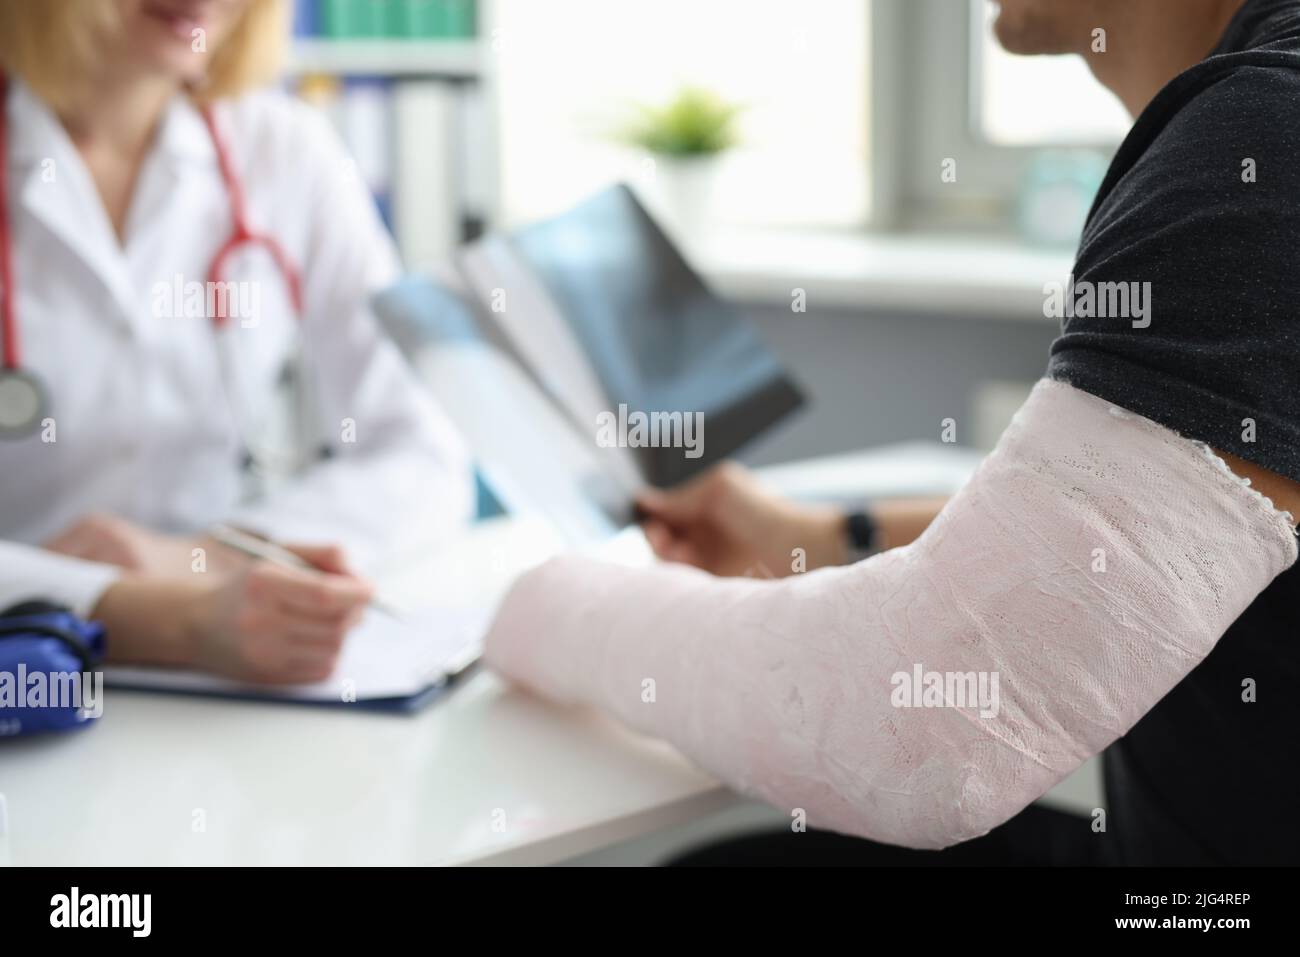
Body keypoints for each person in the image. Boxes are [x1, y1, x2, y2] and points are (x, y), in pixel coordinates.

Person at [484, 0, 1300, 865]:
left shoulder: (1265, 134)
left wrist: (543, 607)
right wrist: (824, 538)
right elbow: (1150, 533)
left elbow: (924, 734)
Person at [0, 0, 473, 684]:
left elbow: (423, 452)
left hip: (232, 673)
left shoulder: (285, 151)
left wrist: (211, 555)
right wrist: (161, 614)